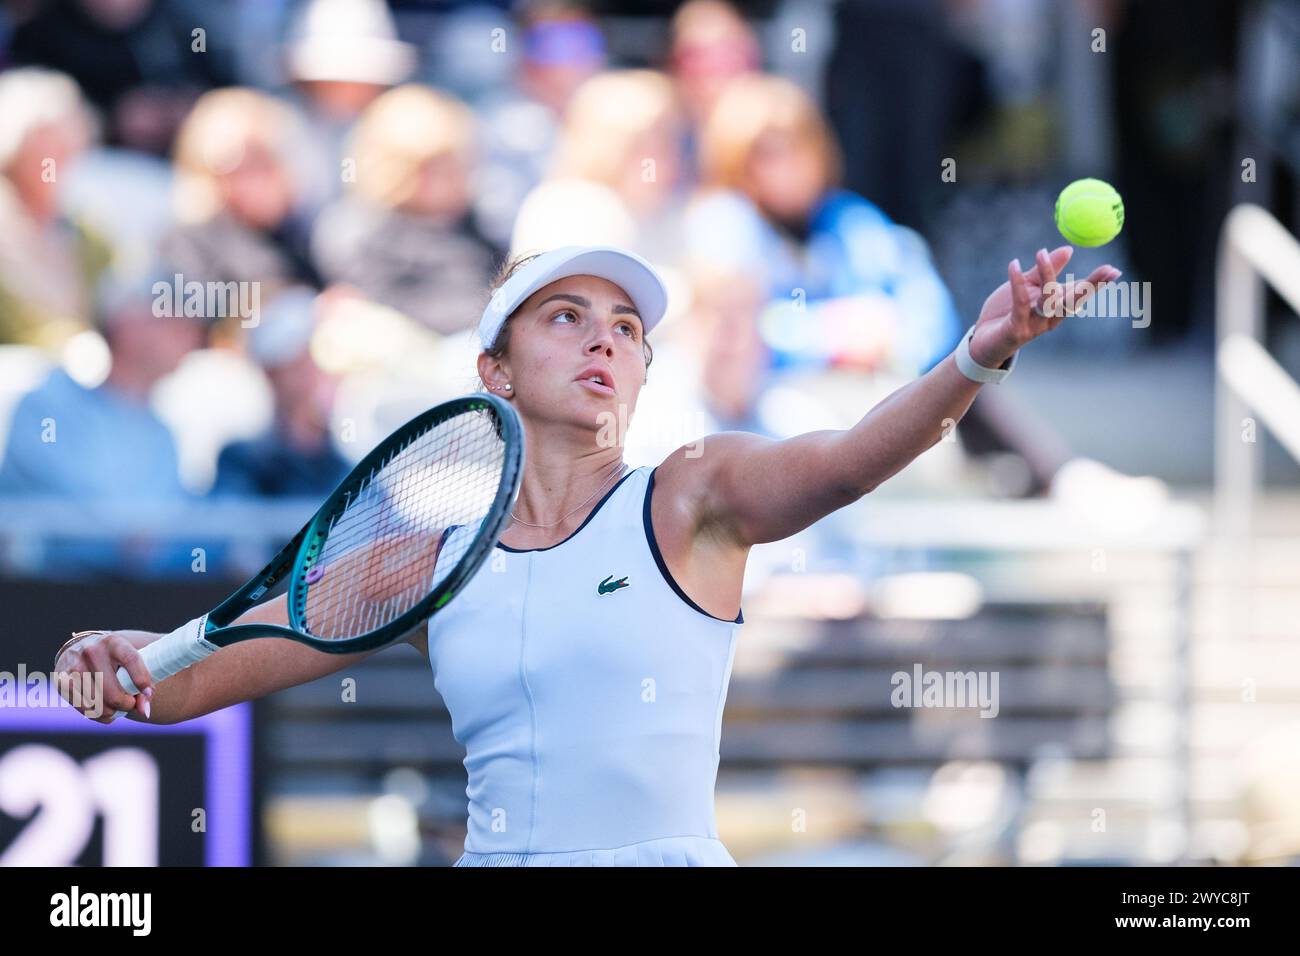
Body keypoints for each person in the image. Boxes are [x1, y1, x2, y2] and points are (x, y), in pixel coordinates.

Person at [55, 242, 1120, 865]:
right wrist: (120, 666)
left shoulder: (693, 493)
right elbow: (187, 683)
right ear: (497, 369)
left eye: (624, 327)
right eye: (565, 317)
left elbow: (844, 461)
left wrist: (975, 358)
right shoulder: (426, 555)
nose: (603, 338)